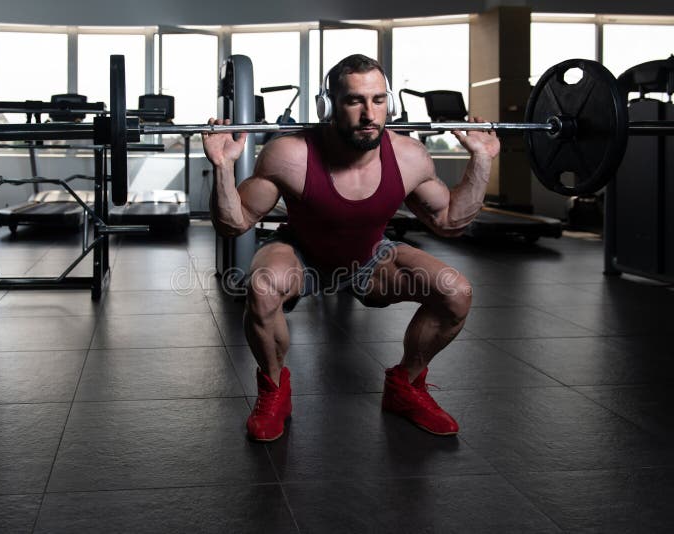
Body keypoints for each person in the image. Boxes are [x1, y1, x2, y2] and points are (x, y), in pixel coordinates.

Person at [202, 54, 500, 442]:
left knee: (456, 292)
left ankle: (405, 386)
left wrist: (481, 159)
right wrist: (223, 166)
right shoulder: (289, 155)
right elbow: (234, 223)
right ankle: (274, 390)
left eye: (378, 100)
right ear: (327, 106)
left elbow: (449, 221)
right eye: (354, 100)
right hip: (301, 254)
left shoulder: (409, 157)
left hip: (370, 259)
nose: (369, 114)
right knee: (261, 287)